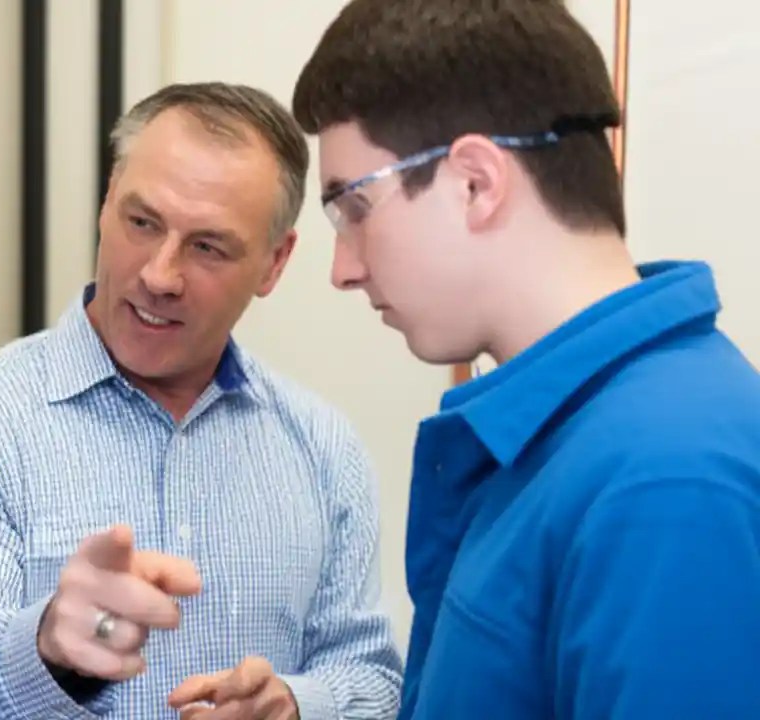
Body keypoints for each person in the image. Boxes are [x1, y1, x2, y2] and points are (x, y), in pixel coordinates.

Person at [291, 1, 760, 718]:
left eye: (354, 207)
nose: (343, 269)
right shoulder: (562, 440)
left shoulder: (664, 474)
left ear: (475, 182)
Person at [0, 82, 403, 719]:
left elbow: (372, 680)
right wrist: (49, 649)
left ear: (274, 263)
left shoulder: (322, 448)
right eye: (143, 222)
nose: (160, 276)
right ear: (107, 204)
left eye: (208, 247)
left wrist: (297, 707)